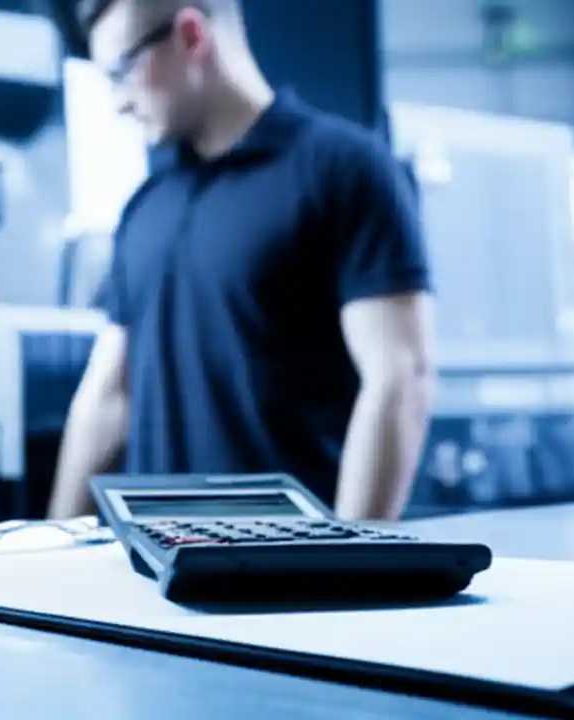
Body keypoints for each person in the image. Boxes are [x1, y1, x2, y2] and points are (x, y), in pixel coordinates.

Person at [47, 0, 435, 521]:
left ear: (191, 35)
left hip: (290, 563)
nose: (119, 103)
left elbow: (399, 379)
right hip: (155, 560)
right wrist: (51, 547)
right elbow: (107, 398)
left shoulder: (344, 169)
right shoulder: (145, 208)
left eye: (122, 71)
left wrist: (344, 558)